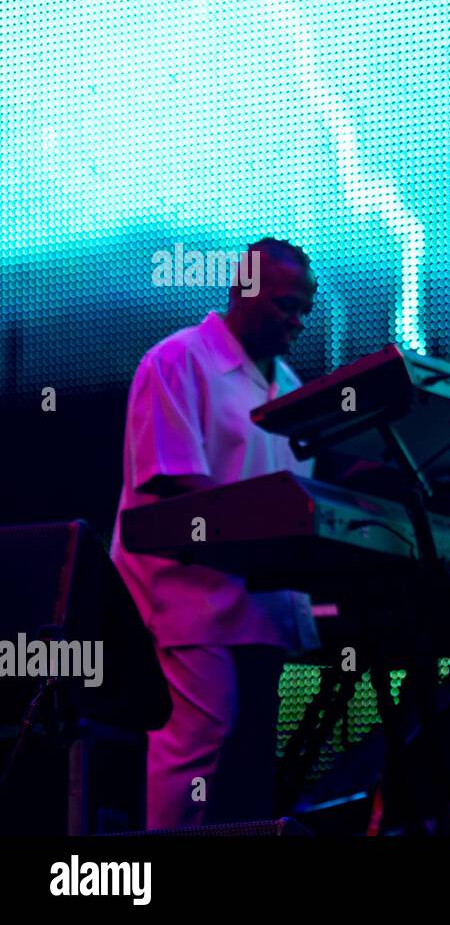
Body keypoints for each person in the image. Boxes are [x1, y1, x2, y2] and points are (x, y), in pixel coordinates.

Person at [110, 238, 319, 829]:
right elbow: (170, 484)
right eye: (284, 305)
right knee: (198, 747)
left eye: (305, 308)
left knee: (248, 764)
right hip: (189, 600)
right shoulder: (178, 361)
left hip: (261, 608)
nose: (297, 321)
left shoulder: (293, 386)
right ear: (241, 292)